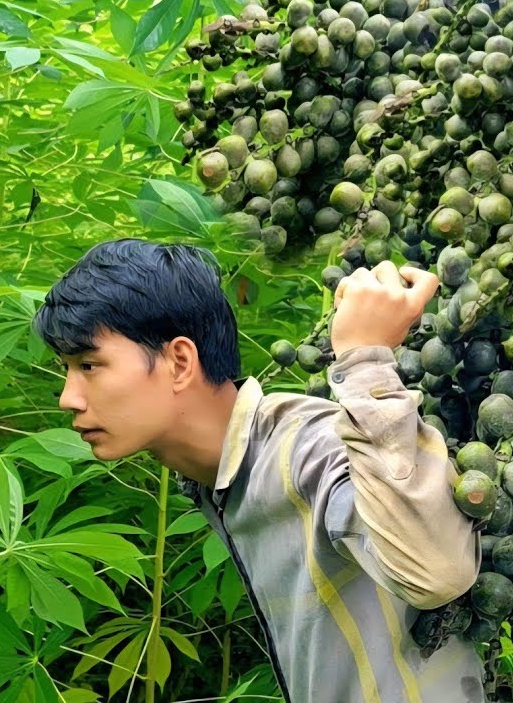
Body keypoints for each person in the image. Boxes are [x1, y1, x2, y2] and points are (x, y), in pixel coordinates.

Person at [32, 238, 486, 702]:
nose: (68, 397)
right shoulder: (226, 478)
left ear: (180, 362)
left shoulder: (307, 449)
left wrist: (364, 358)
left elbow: (438, 573)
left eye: (88, 364)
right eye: (67, 368)